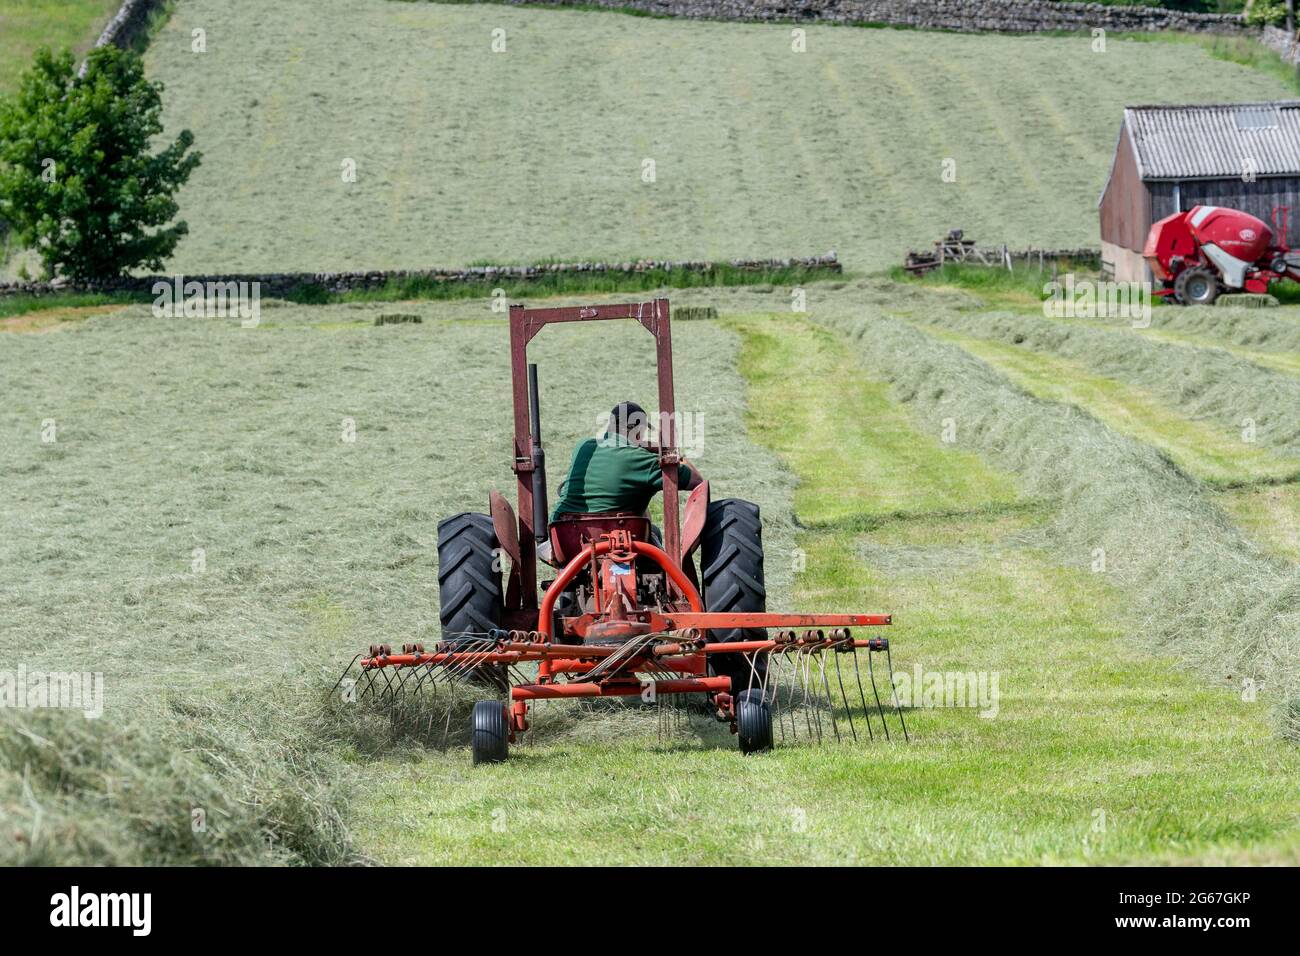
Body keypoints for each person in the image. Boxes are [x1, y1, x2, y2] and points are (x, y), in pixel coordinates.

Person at [537, 401, 702, 565]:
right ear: (638, 433)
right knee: (653, 534)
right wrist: (671, 453)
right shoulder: (641, 460)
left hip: (566, 542)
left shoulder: (583, 446)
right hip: (623, 541)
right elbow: (696, 480)